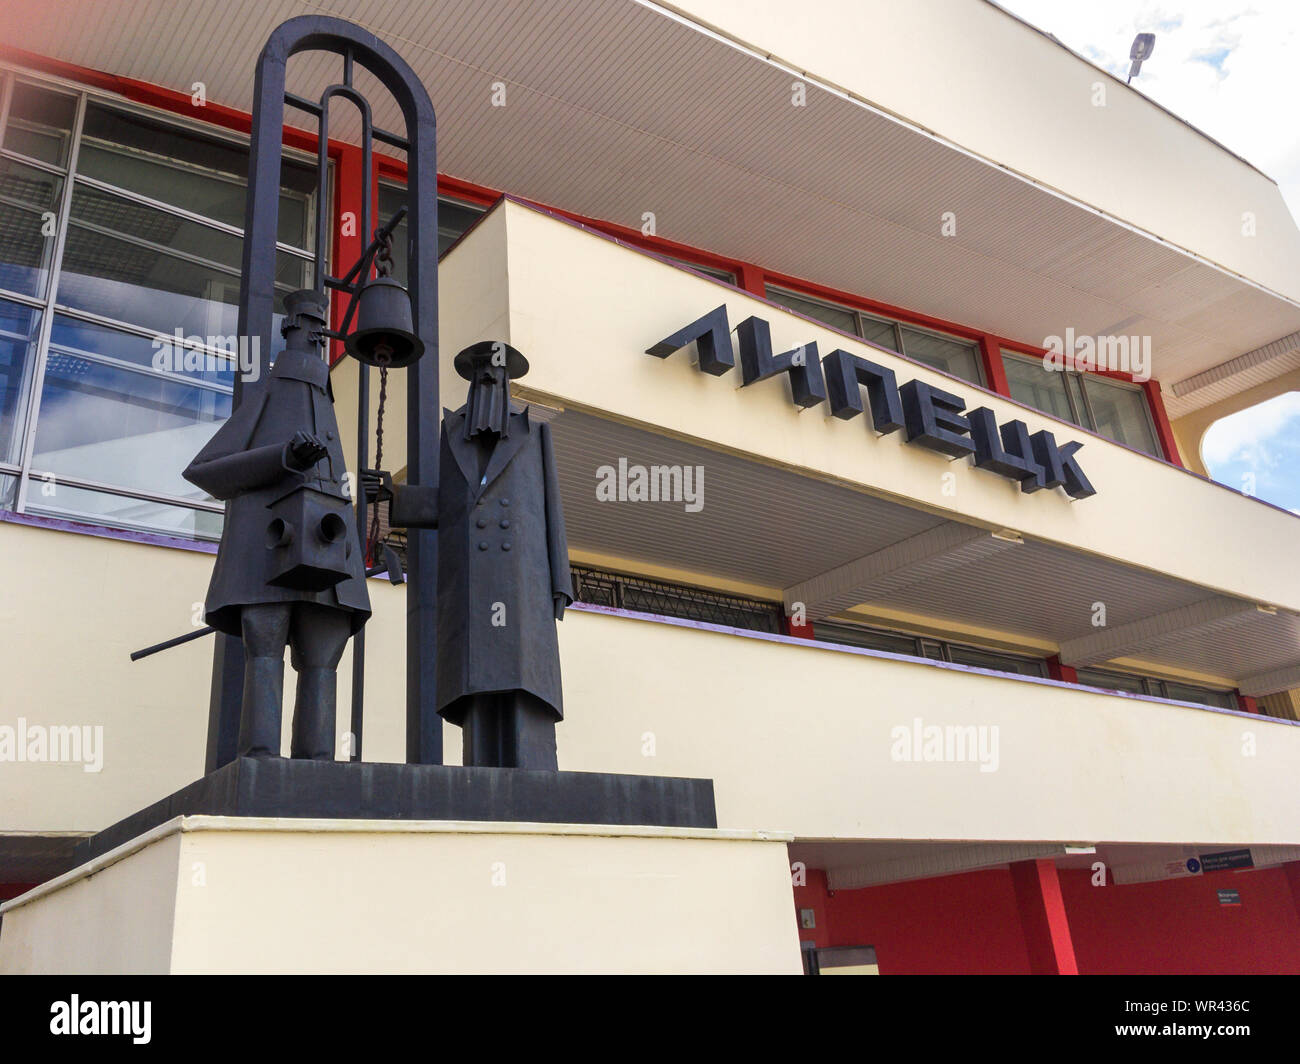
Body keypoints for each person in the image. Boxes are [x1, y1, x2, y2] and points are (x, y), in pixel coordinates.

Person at [366, 340, 572, 770]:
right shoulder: (452, 433)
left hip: (521, 583)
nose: (488, 381)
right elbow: (448, 504)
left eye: (495, 374)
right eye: (481, 375)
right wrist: (393, 496)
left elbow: (551, 507)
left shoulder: (534, 432)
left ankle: (530, 773)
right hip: (472, 584)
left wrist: (559, 583)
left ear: (507, 381)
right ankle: (480, 774)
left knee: (523, 687)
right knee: (476, 683)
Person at [184, 290, 369, 760]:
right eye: (307, 323)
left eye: (319, 325)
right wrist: (282, 458)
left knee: (322, 660)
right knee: (263, 652)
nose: (316, 334)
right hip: (265, 558)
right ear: (289, 329)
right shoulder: (268, 392)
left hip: (327, 563)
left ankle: (318, 765)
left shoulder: (324, 401)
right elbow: (207, 470)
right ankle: (260, 758)